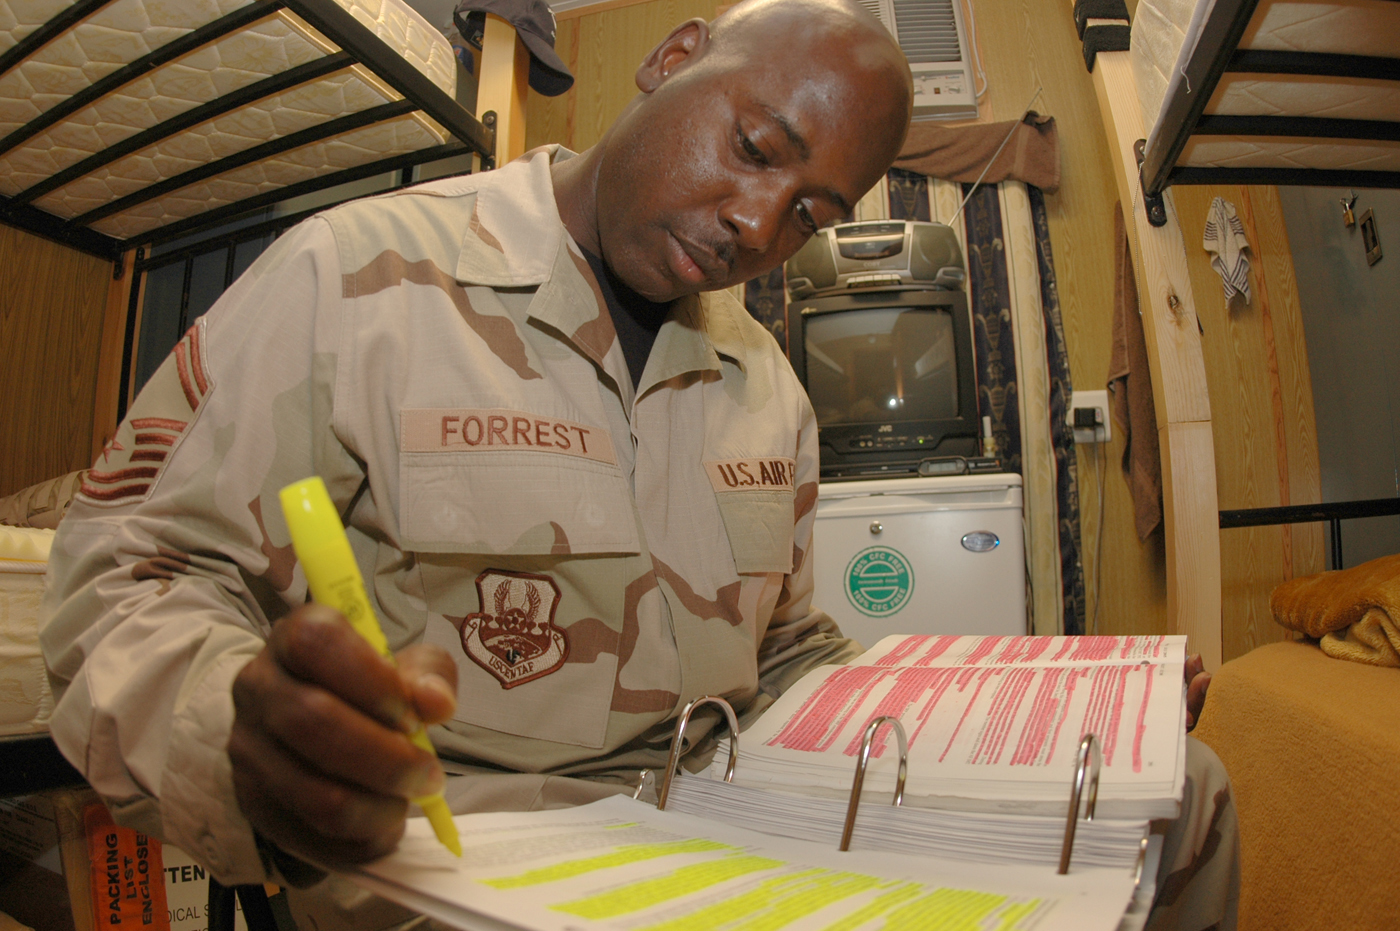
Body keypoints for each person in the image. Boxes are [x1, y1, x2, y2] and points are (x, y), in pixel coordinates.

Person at [40, 0, 1236, 925]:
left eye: (808, 213)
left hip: (739, 825)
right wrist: (238, 741)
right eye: (754, 147)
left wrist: (1043, 705)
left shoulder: (762, 379)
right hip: (473, 865)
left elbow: (789, 654)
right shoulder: (355, 277)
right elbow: (127, 579)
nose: (757, 227)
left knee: (1176, 791)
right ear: (669, 61)